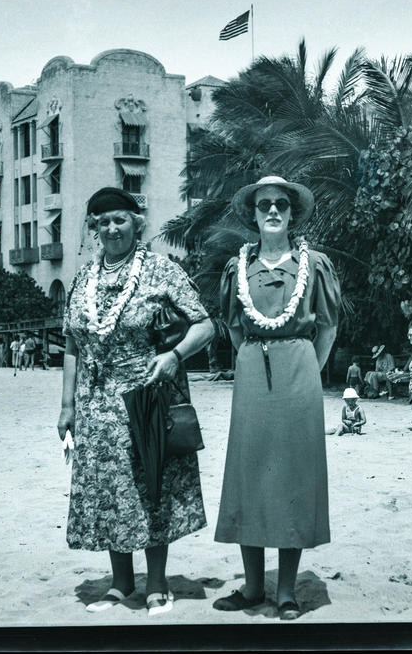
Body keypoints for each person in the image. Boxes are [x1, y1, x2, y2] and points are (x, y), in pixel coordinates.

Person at [58, 187, 214, 617]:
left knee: (152, 486)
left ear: (136, 223)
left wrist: (174, 355)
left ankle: (157, 584)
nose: (111, 228)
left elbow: (205, 325)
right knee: (110, 491)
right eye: (102, 221)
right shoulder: (83, 278)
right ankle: (122, 583)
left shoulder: (160, 270)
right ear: (94, 229)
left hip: (146, 395)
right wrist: (67, 406)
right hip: (95, 404)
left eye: (120, 219)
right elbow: (71, 344)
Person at [213, 176, 341, 621]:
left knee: (293, 475)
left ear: (291, 214)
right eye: (264, 204)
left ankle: (286, 590)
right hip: (252, 370)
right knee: (249, 471)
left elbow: (327, 327)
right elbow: (232, 325)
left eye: (280, 205)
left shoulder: (314, 263)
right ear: (253, 213)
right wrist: (254, 356)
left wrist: (307, 368)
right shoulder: (238, 267)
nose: (272, 210)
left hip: (299, 371)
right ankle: (251, 586)